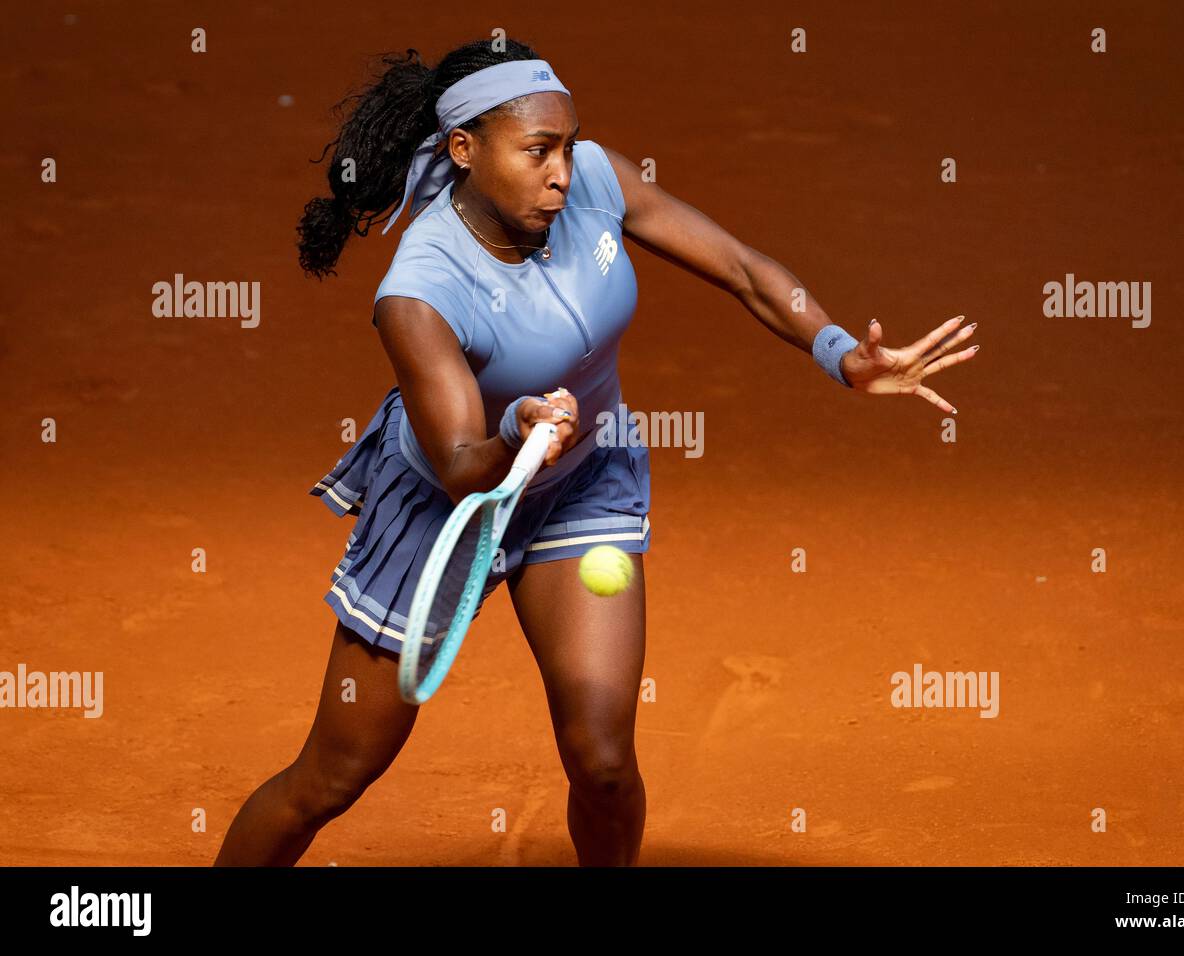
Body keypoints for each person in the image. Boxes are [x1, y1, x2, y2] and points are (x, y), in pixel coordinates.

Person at [214, 37, 979, 867]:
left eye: (569, 144)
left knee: (605, 765)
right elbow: (465, 461)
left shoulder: (597, 184)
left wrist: (841, 352)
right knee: (332, 777)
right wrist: (518, 432)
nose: (564, 174)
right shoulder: (418, 293)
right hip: (447, 508)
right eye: (539, 150)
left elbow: (743, 268)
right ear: (465, 150)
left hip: (581, 482)